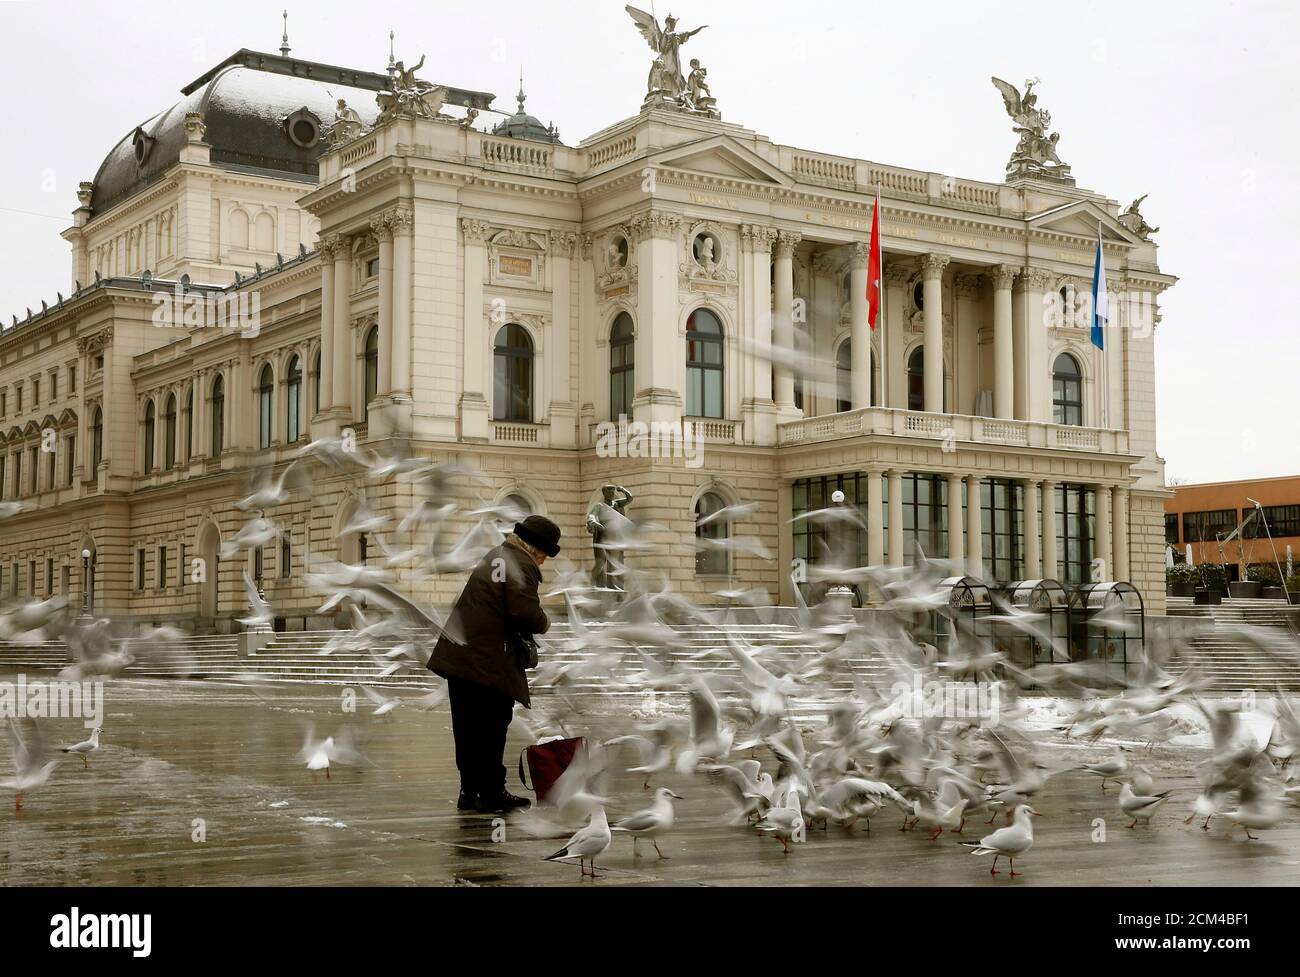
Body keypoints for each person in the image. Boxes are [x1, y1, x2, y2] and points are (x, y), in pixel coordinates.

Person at [428, 514, 562, 813]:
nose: (542, 562)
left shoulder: (496, 555)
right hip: (487, 662)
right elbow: (523, 610)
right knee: (491, 727)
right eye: (544, 554)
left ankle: (470, 791)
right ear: (536, 548)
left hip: (462, 658)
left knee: (467, 728)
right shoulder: (521, 563)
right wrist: (545, 622)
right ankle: (491, 793)